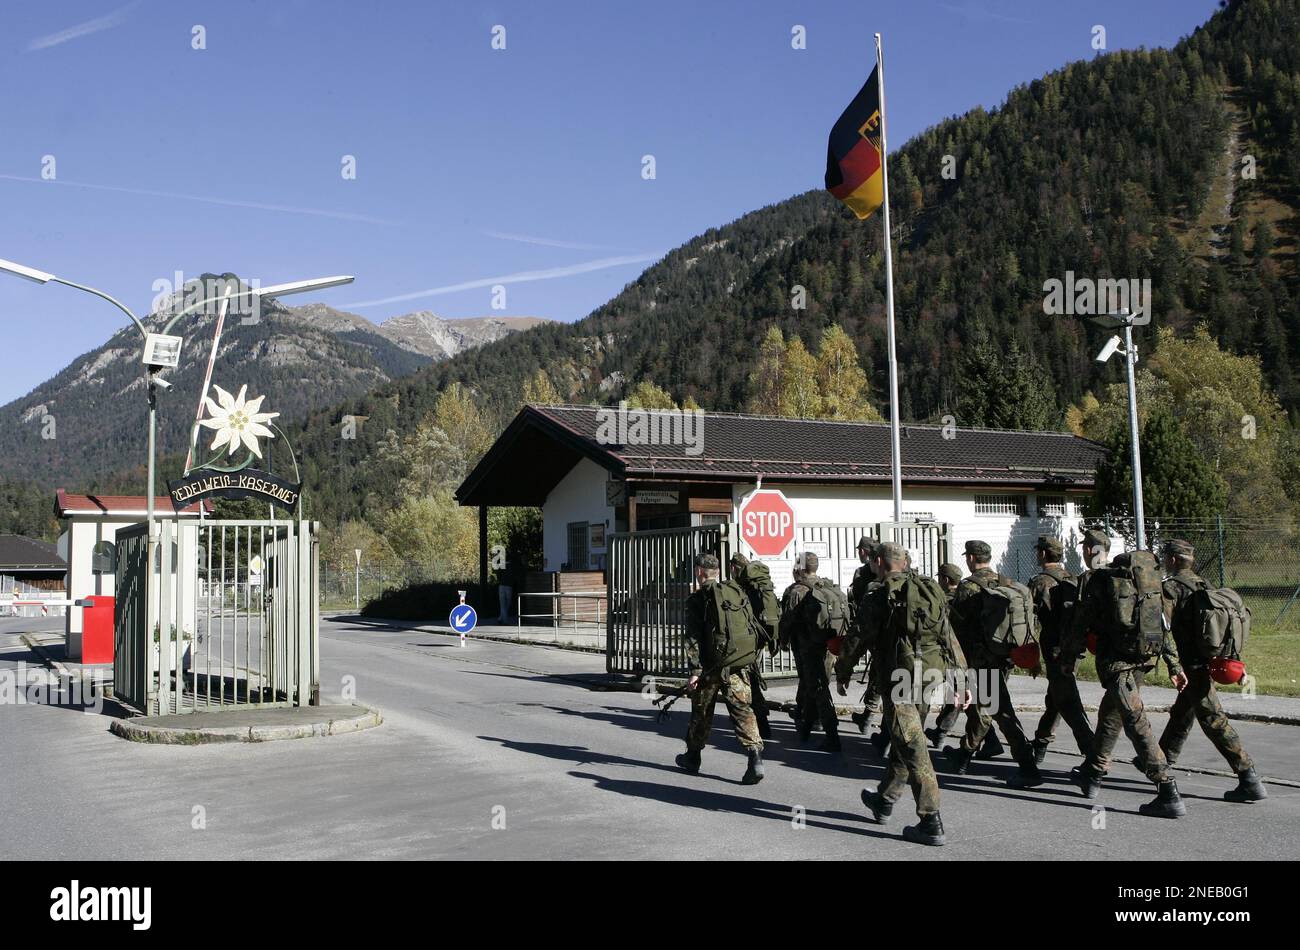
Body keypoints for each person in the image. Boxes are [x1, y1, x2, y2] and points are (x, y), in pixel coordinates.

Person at [835, 542, 970, 846]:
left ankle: (930, 819)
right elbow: (948, 634)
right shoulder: (928, 588)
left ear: (879, 561)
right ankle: (884, 799)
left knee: (913, 747)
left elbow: (858, 637)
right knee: (905, 738)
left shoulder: (879, 594)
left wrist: (843, 670)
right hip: (930, 674)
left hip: (899, 679)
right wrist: (963, 681)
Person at [1062, 543, 1189, 818]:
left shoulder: (1101, 582)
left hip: (1117, 662)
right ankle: (1092, 773)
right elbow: (1163, 627)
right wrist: (1173, 664)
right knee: (1111, 714)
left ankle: (1167, 789)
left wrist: (1068, 658)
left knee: (1135, 721)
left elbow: (1080, 623)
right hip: (1146, 656)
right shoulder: (1150, 588)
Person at [1156, 539, 1266, 803]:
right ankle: (1161, 759)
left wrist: (1173, 665)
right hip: (1209, 660)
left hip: (1194, 665)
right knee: (1183, 711)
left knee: (1213, 719)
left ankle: (1248, 776)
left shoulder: (1170, 589)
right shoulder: (1204, 585)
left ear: (1172, 560)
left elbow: (1162, 631)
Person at [944, 540, 1043, 788]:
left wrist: (959, 666)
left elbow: (958, 630)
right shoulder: (1005, 581)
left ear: (970, 559)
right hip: (1003, 655)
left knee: (1002, 713)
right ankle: (964, 755)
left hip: (981, 659)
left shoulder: (968, 587)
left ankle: (1028, 767)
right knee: (987, 707)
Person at [675, 554, 764, 784]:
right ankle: (755, 757)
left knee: (702, 712)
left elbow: (693, 638)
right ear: (716, 572)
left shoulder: (698, 599)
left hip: (710, 668)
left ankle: (693, 757)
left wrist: (694, 671)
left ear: (699, 572)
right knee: (742, 710)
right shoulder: (733, 593)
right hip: (736, 663)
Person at [1028, 536, 1094, 763]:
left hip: (1054, 647)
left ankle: (1093, 752)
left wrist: (1031, 655)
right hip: (1074, 646)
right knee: (1057, 696)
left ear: (1044, 554)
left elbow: (1028, 622)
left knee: (1067, 700)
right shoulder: (1073, 579)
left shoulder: (1039, 582)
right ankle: (1041, 742)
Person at [779, 552, 844, 752]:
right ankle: (806, 726)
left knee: (817, 688)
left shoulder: (796, 590)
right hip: (828, 644)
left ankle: (832, 735)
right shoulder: (827, 587)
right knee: (813, 686)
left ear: (799, 567)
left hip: (808, 648)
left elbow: (787, 620)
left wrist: (782, 641)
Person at [729, 552, 773, 741]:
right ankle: (761, 722)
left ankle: (758, 726)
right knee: (752, 679)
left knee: (748, 684)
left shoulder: (740, 587)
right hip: (758, 639)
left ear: (734, 567)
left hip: (745, 641)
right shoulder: (758, 586)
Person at [923, 563, 965, 748]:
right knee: (961, 695)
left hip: (948, 654)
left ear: (945, 580)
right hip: (968, 653)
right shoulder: (966, 598)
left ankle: (939, 732)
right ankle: (941, 731)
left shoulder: (943, 601)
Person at [848, 538, 883, 738]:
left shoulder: (862, 574)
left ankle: (870, 717)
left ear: (864, 551)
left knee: (881, 675)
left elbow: (857, 601)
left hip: (871, 629)